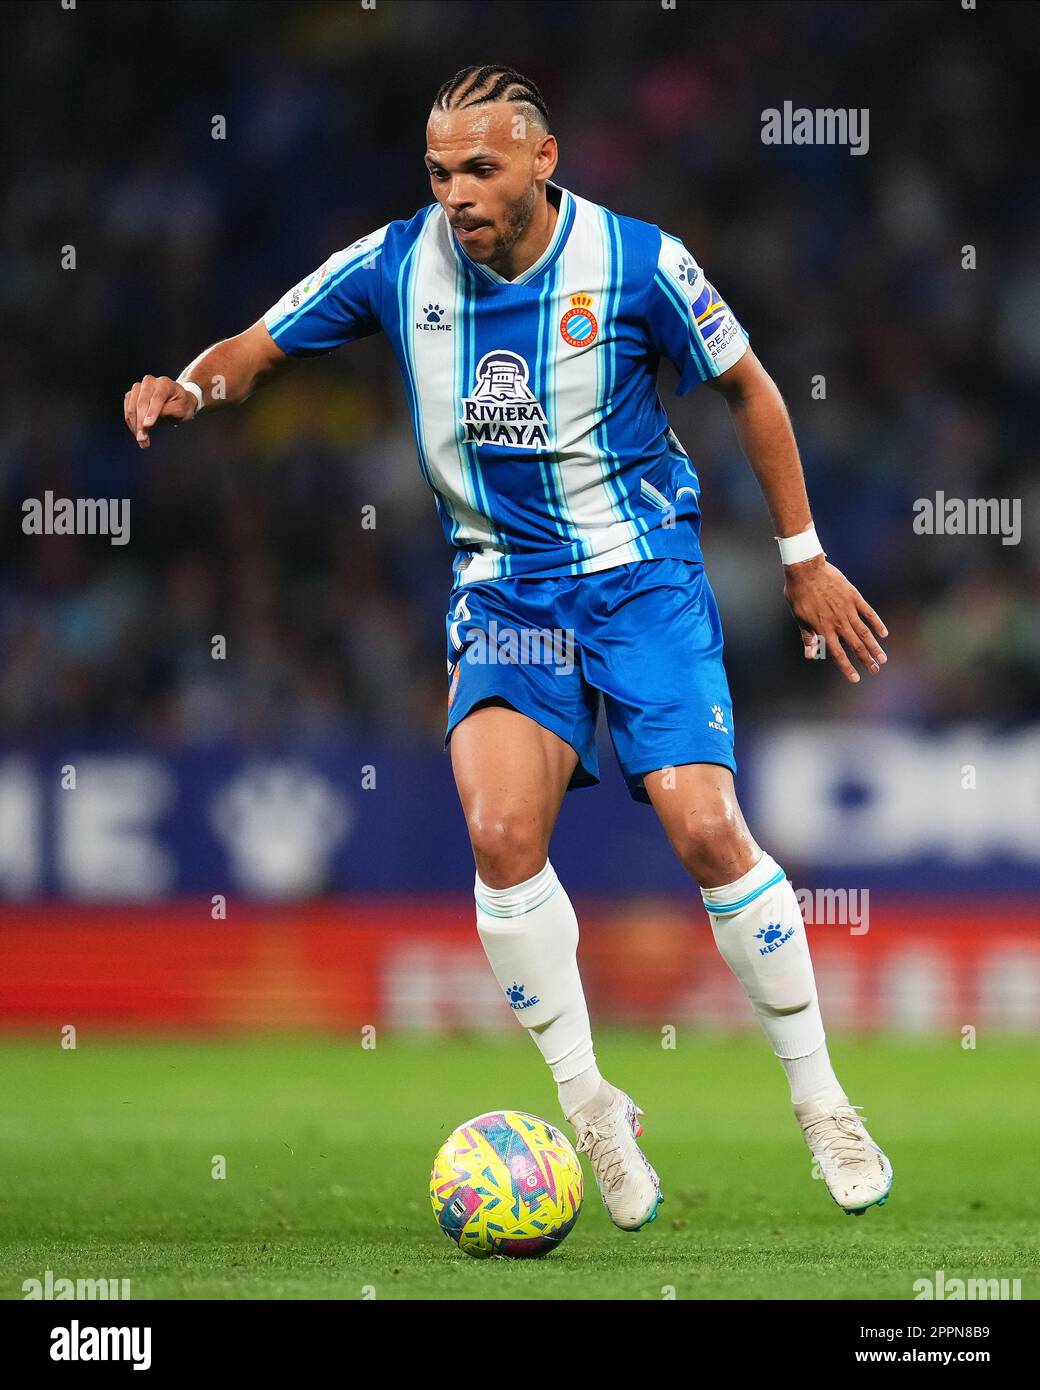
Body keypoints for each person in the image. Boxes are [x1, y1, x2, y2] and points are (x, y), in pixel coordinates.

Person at [123, 64, 892, 1230]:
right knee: (495, 831)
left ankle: (821, 1099)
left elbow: (747, 386)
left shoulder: (638, 262)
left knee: (702, 825)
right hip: (503, 590)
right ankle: (587, 1103)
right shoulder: (397, 263)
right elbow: (260, 344)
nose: (455, 194)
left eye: (478, 168)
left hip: (642, 580)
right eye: (438, 172)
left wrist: (800, 555)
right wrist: (186, 387)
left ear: (541, 158)